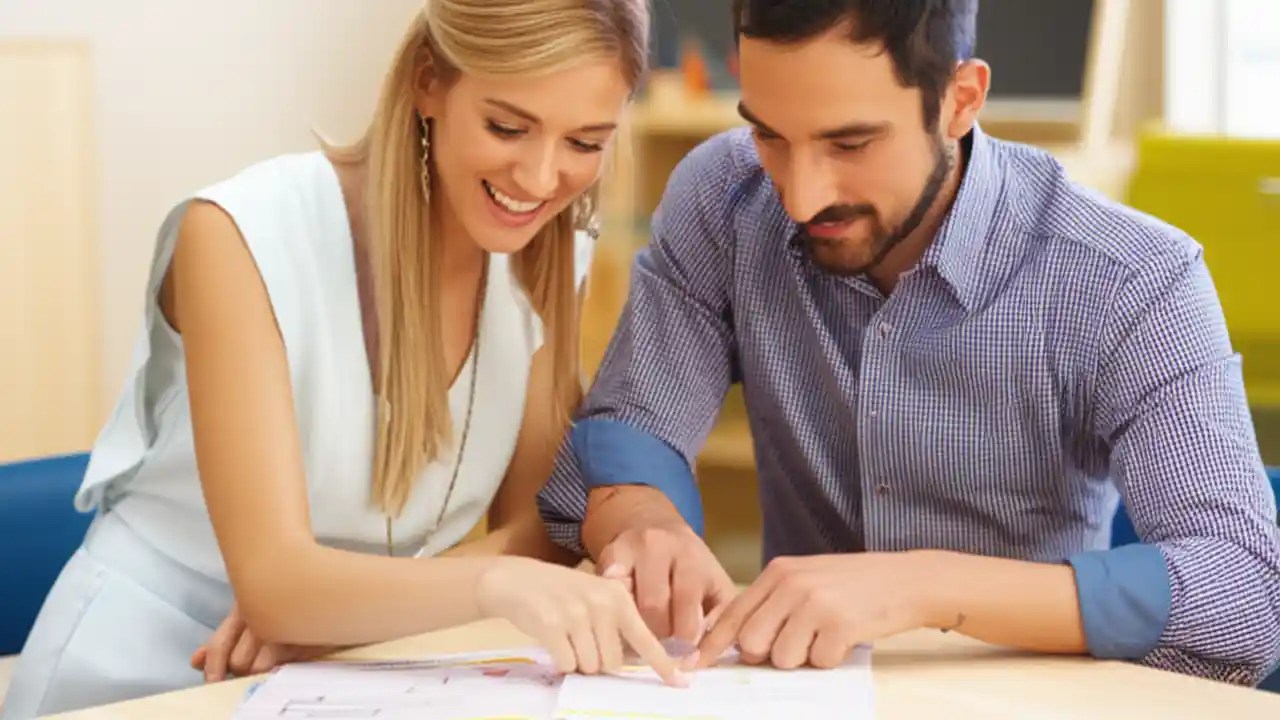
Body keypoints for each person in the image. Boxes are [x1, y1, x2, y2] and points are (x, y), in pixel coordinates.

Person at [537, 0, 1280, 686]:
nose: (800, 195)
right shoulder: (724, 198)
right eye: (769, 133)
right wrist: (644, 520)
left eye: (850, 142)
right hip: (798, 692)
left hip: (1029, 697)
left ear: (961, 99)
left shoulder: (1132, 279)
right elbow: (624, 437)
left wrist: (920, 587)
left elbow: (1245, 594)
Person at [0, 2, 692, 718]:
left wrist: (338, 618)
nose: (543, 177)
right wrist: (487, 584)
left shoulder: (548, 260)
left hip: (349, 667)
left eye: (584, 141)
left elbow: (540, 527)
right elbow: (274, 586)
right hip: (144, 673)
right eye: (507, 127)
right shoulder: (240, 236)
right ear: (429, 82)